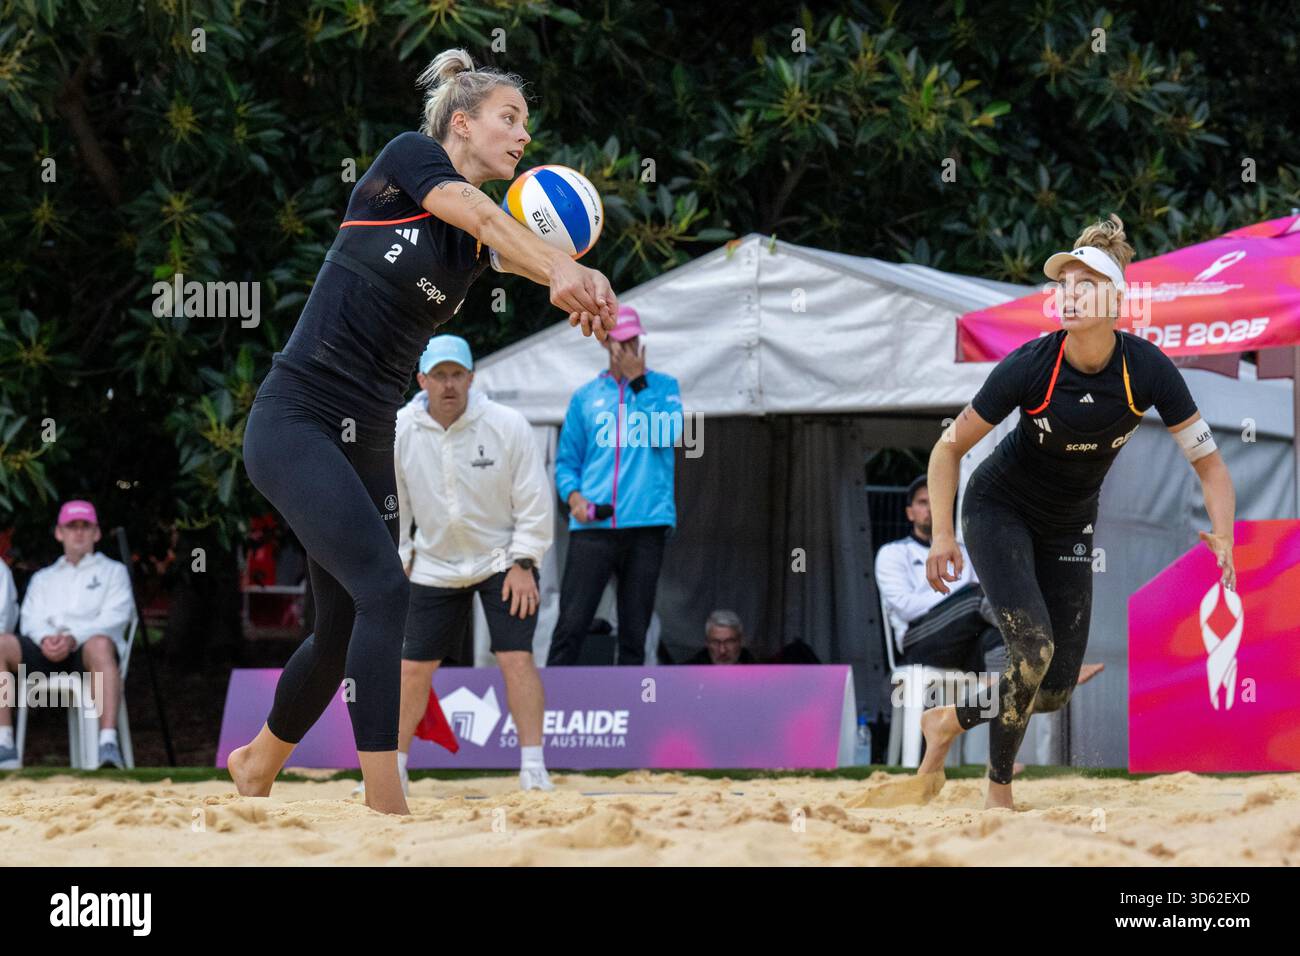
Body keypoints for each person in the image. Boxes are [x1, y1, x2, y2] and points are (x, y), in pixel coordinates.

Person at [231, 48, 618, 815]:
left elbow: (508, 244)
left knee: (342, 626)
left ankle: (258, 761)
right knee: (387, 593)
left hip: (367, 436)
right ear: (462, 122)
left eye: (526, 126)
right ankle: (385, 802)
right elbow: (476, 212)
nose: (521, 137)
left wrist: (583, 283)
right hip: (297, 417)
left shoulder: (485, 241)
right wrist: (557, 268)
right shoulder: (407, 163)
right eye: (510, 119)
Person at [918, 214, 1236, 809]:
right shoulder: (1032, 365)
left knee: (1055, 690)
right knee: (1032, 653)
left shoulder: (1145, 370)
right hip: (999, 508)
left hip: (1069, 523)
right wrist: (941, 534)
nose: (1069, 293)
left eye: (1084, 283)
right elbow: (949, 446)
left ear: (1116, 298)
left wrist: (1224, 535)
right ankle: (998, 795)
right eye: (1063, 283)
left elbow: (1211, 466)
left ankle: (946, 721)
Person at [393, 335, 554, 793]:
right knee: (411, 669)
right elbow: (395, 504)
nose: (448, 385)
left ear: (471, 378)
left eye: (457, 375)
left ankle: (533, 767)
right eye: (439, 375)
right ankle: (396, 770)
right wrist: (401, 559)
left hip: (503, 559)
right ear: (422, 379)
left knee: (516, 658)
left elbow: (533, 499)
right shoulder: (400, 428)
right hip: (433, 563)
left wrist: (525, 560)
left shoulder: (507, 425)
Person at [547, 305, 682, 666]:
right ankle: (550, 712)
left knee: (636, 631)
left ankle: (631, 715)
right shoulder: (586, 397)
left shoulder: (664, 387)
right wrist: (573, 497)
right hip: (593, 525)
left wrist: (640, 385)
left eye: (634, 340)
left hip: (646, 526)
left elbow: (668, 435)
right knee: (571, 625)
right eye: (621, 341)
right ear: (606, 342)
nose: (628, 348)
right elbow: (566, 463)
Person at [0, 501, 135, 769]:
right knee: (0, 644)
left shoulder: (114, 572)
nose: (79, 533)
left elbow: (116, 617)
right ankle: (4, 743)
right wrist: (44, 639)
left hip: (88, 655)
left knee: (99, 643)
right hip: (44, 651)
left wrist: (73, 637)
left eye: (85, 526)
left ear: (96, 533)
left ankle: (107, 743)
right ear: (59, 533)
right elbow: (28, 619)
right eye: (72, 527)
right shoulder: (43, 578)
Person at [876, 475, 1006, 675]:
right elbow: (906, 608)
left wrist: (961, 600)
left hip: (965, 639)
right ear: (910, 513)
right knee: (978, 597)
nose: (930, 508)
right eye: (922, 502)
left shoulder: (965, 552)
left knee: (999, 639)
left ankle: (1002, 702)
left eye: (936, 501)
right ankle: (1027, 632)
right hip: (917, 639)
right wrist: (956, 598)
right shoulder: (893, 552)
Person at [685, 609, 754, 665]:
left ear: (741, 641)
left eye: (729, 642)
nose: (722, 650)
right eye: (715, 642)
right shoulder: (687, 672)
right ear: (707, 643)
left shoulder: (758, 671)